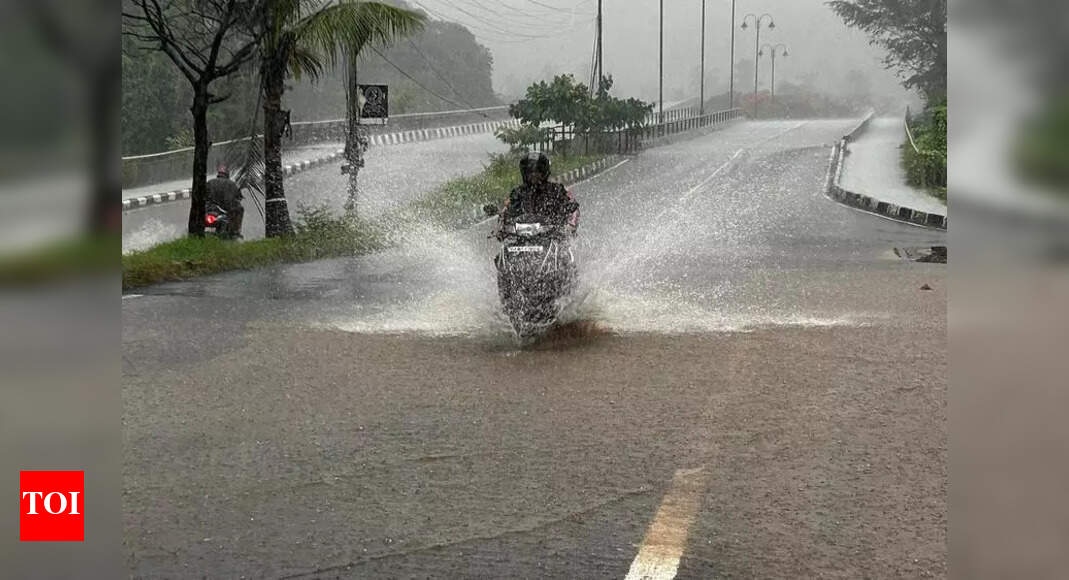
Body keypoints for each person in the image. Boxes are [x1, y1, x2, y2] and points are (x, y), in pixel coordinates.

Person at [497, 151, 579, 237]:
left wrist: (569, 226)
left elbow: (573, 209)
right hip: (522, 238)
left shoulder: (556, 190)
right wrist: (501, 227)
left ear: (544, 172)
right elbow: (507, 211)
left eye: (537, 171)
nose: (533, 175)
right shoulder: (518, 192)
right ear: (524, 173)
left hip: (552, 237)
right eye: (530, 172)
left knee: (565, 246)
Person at [206, 164, 244, 237]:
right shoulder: (231, 184)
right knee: (240, 209)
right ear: (227, 174)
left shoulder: (210, 182)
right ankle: (235, 231)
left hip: (210, 209)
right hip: (226, 210)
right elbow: (238, 197)